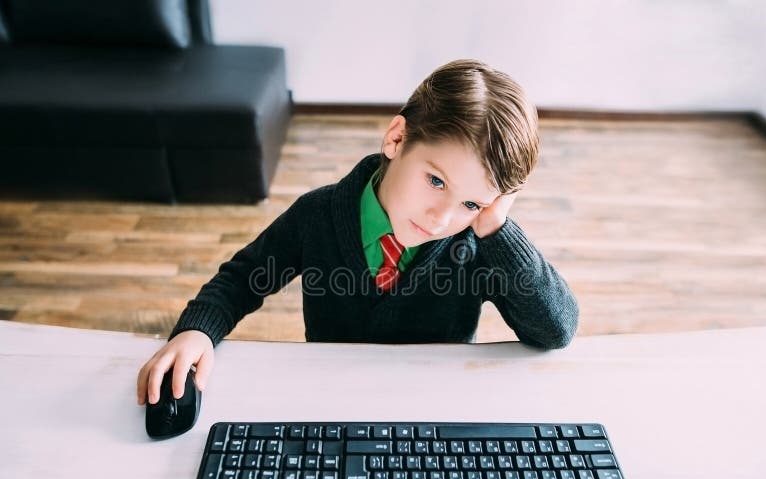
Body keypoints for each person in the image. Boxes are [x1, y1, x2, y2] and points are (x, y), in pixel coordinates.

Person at [137, 59, 579, 406]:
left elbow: (556, 329)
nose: (442, 218)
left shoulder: (480, 244)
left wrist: (497, 228)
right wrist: (197, 330)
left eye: (471, 202)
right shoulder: (318, 214)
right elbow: (241, 278)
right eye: (436, 181)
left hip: (436, 411)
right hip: (331, 402)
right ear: (397, 139)